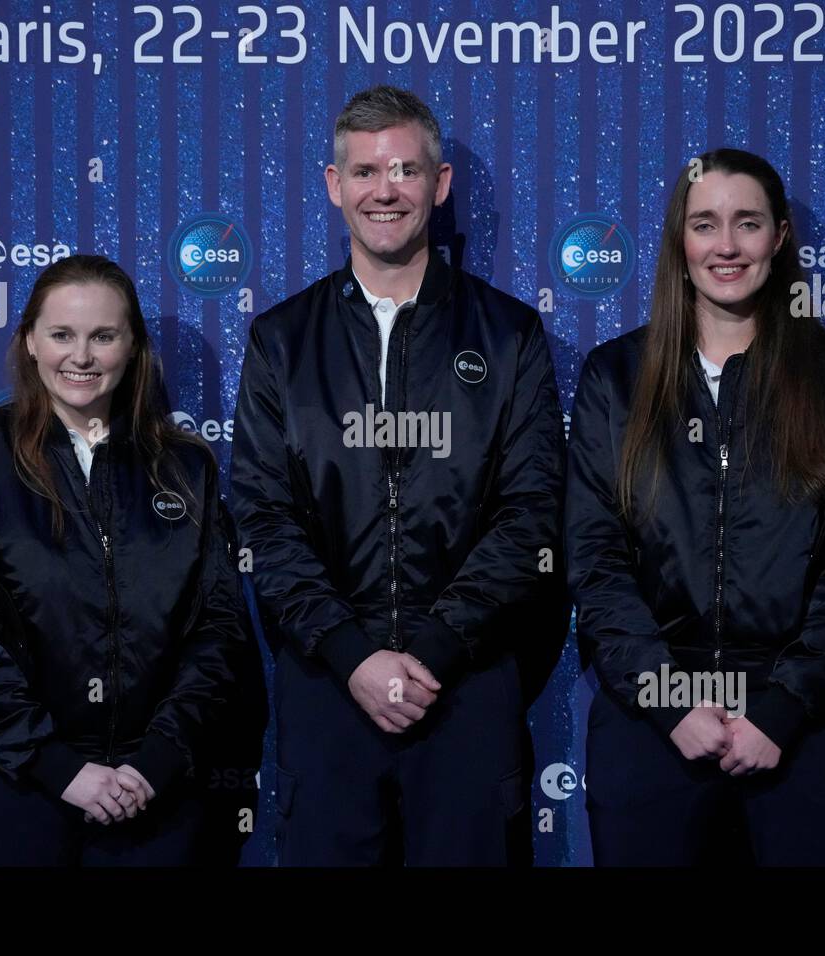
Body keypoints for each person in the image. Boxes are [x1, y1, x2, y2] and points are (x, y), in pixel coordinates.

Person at [230, 85, 569, 866]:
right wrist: (353, 656)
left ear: (439, 185)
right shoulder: (281, 340)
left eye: (406, 170)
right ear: (334, 184)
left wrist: (436, 650)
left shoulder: (510, 334)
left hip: (467, 684)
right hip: (327, 683)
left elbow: (529, 513)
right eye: (366, 171)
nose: (386, 189)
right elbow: (263, 515)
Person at [566, 148, 825, 866]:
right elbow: (594, 561)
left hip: (801, 728)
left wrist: (781, 710)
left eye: (747, 224)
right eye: (705, 224)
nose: (726, 245)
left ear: (779, 239)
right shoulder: (615, 378)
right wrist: (669, 699)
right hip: (652, 727)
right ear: (679, 240)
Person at [0, 254, 266, 866]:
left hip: (158, 799)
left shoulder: (186, 469)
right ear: (29, 342)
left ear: (133, 348)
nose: (81, 356)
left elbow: (219, 630)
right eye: (61, 335)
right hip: (14, 796)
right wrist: (59, 768)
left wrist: (156, 759)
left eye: (103, 336)